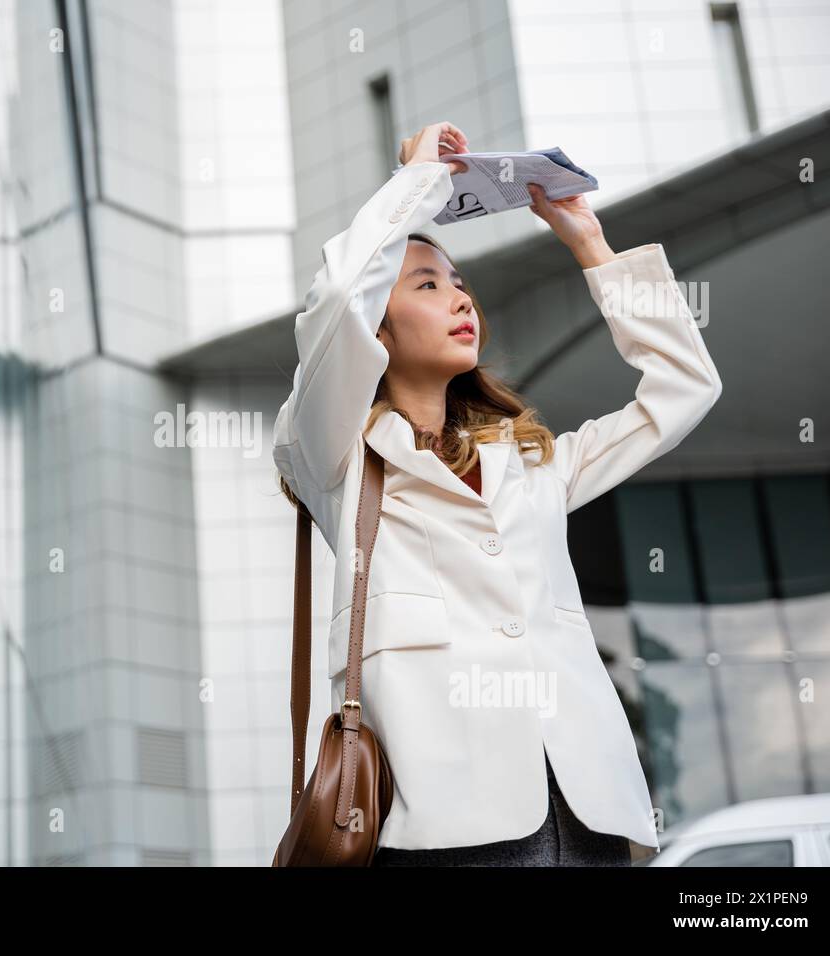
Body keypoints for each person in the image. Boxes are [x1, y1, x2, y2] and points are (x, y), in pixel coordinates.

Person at [272, 122, 722, 865]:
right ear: (378, 327)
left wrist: (590, 246)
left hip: (586, 813)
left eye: (461, 284)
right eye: (427, 284)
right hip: (448, 831)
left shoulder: (532, 463)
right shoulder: (331, 457)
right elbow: (337, 305)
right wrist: (417, 181)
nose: (458, 299)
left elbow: (684, 390)